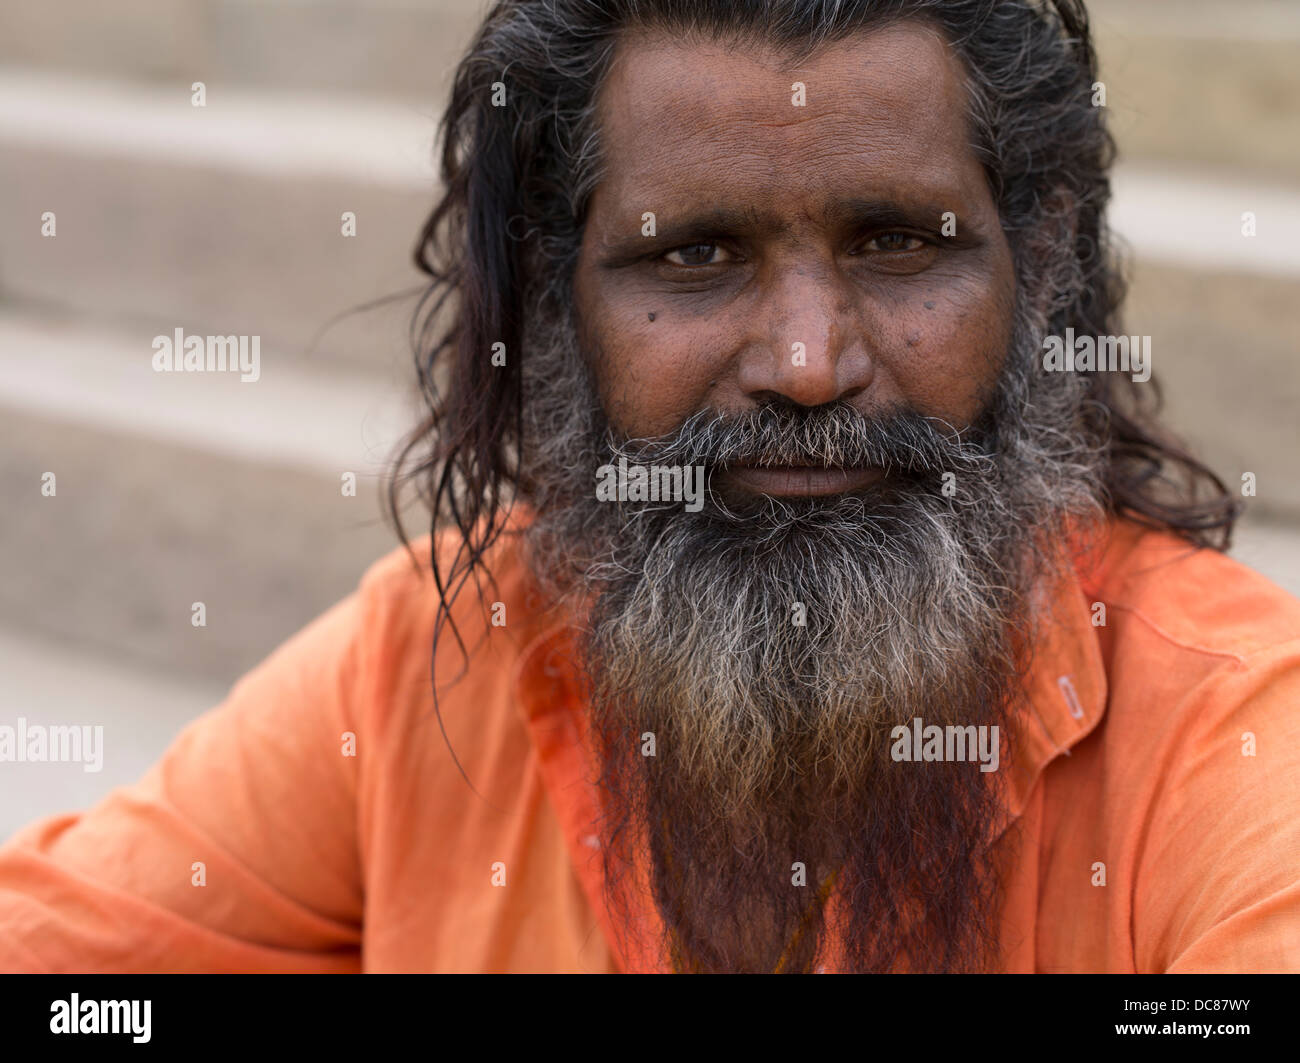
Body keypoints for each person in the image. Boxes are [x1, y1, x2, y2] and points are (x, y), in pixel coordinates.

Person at [2, 0, 1297, 974]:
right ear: (556, 301)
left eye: (901, 244)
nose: (806, 364)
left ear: (1044, 263)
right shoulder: (433, 668)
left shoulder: (1228, 734)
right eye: (695, 255)